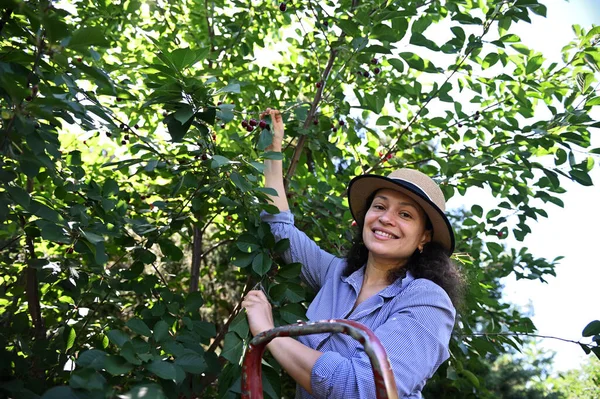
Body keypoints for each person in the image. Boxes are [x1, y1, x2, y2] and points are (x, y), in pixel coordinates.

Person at [241, 108, 465, 398]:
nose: (386, 218)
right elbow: (280, 228)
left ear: (424, 237)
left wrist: (267, 332)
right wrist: (273, 152)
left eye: (405, 214)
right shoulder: (337, 274)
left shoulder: (427, 300)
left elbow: (361, 388)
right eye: (380, 206)